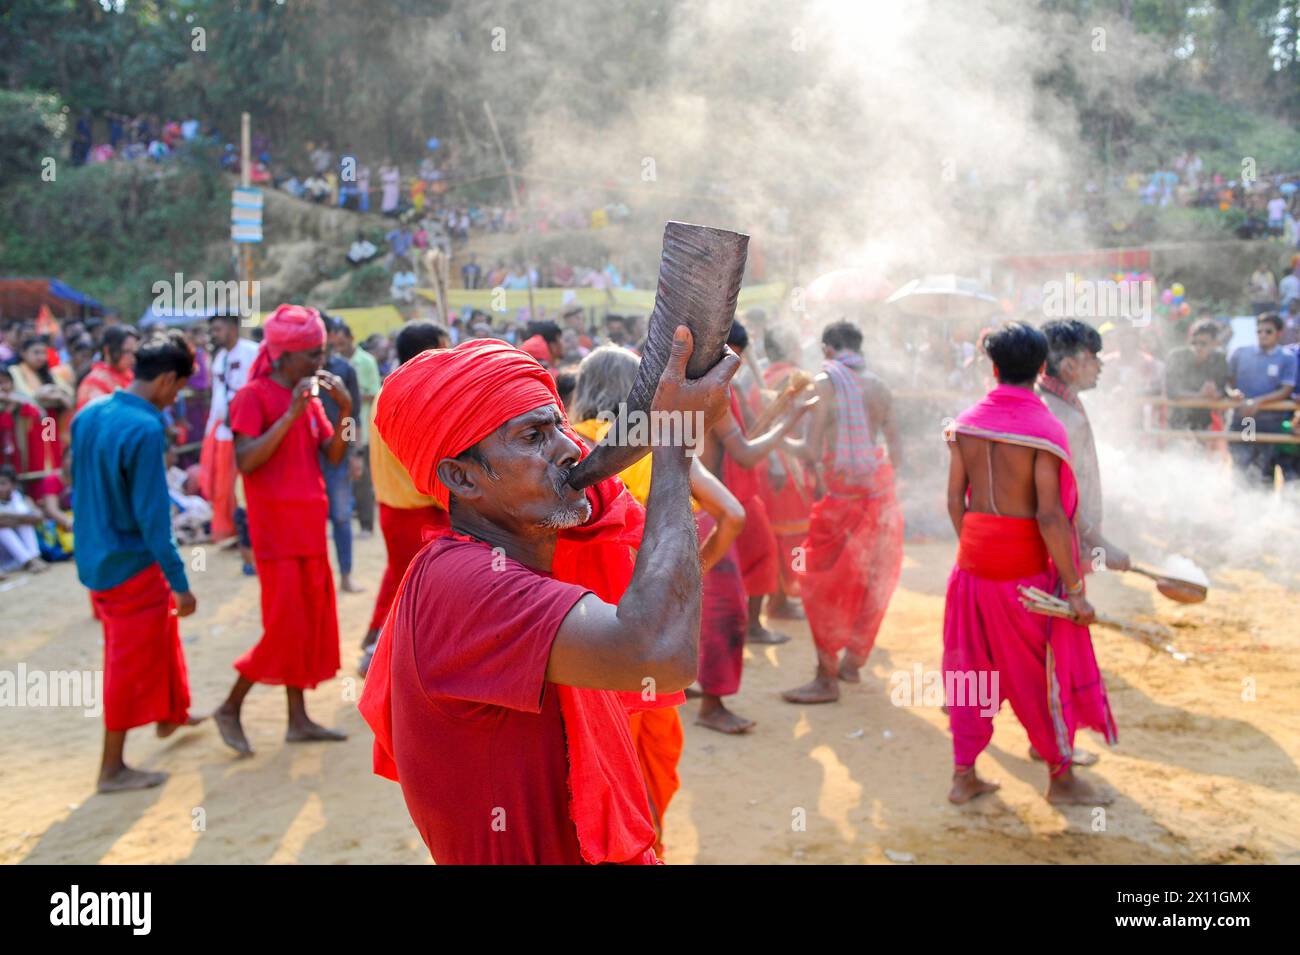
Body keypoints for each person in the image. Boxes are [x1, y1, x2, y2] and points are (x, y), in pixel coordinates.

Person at [358, 330, 741, 863]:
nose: (567, 447)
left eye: (558, 424)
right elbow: (660, 655)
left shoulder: (501, 558)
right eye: (533, 437)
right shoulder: (467, 584)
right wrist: (674, 449)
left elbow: (609, 510)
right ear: (461, 478)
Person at [943, 321, 1116, 806]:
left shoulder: (965, 423)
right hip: (1025, 579)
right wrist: (1074, 587)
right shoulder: (1044, 429)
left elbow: (955, 500)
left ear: (994, 367)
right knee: (1038, 676)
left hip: (972, 568)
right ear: (1041, 368)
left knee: (970, 671)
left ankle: (964, 774)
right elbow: (1050, 516)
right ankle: (1060, 778)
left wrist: (977, 546)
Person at [570, 344, 745, 774]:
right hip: (650, 618)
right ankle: (652, 841)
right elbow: (733, 515)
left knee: (600, 756)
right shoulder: (659, 448)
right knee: (650, 751)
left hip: (581, 626)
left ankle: (615, 841)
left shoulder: (566, 449)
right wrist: (693, 575)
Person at [214, 305, 352, 755]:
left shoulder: (308, 396)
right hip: (274, 531)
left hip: (309, 525)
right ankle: (230, 706)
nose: (320, 362)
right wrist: (291, 414)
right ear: (283, 355)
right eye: (312, 354)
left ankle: (298, 719)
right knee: (284, 627)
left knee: (308, 622)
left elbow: (333, 456)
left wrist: (347, 410)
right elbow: (247, 460)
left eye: (321, 352)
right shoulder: (253, 396)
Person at [71, 330, 204, 792]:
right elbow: (153, 520)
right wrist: (181, 583)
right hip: (130, 562)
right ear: (167, 380)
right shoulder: (146, 428)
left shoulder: (88, 413)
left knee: (159, 633)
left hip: (95, 556)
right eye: (181, 388)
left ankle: (170, 715)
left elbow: (82, 488)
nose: (178, 398)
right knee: (126, 662)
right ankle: (112, 768)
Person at [780, 320, 904, 704]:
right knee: (871, 581)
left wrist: (778, 440)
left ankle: (826, 678)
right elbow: (897, 451)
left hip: (839, 500)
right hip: (880, 497)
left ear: (828, 350)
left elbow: (813, 451)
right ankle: (851, 663)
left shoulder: (825, 382)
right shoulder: (880, 386)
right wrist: (874, 483)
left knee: (820, 583)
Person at [699, 321, 811, 726]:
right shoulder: (712, 391)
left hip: (683, 506)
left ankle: (689, 685)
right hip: (705, 511)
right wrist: (792, 417)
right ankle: (711, 706)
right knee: (723, 609)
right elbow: (745, 455)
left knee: (695, 606)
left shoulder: (682, 383)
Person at [358, 321, 451, 677]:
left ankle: (372, 645)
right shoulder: (413, 394)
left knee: (398, 580)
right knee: (417, 592)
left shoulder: (392, 388)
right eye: (445, 347)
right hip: (418, 511)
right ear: (428, 350)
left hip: (398, 509)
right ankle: (383, 659)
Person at [1038, 320, 1130, 573]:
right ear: (1068, 366)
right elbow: (1056, 499)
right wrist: (1101, 545)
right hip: (1056, 549)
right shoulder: (1062, 417)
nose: (1100, 365)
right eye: (1092, 358)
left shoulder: (1056, 403)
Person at [199, 314, 259, 543]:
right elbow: (217, 397)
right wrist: (210, 429)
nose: (214, 335)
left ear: (233, 328)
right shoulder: (219, 359)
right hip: (224, 432)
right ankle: (234, 531)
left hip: (249, 431)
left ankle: (251, 532)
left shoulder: (252, 352)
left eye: (218, 329)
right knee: (224, 484)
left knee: (246, 483)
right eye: (212, 330)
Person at [7, 338, 73, 530]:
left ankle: (50, 508)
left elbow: (66, 393)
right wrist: (44, 395)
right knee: (31, 464)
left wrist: (53, 394)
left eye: (43, 353)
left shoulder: (49, 374)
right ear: (24, 353)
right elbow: (22, 394)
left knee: (49, 461)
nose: (40, 357)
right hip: (27, 425)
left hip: (49, 421)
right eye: (36, 352)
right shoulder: (15, 372)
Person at [1226, 312, 1298, 486]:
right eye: (1259, 331)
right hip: (1246, 420)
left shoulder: (1287, 357)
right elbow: (1227, 381)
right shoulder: (1241, 353)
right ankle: (1241, 508)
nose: (1263, 335)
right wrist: (1232, 393)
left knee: (1265, 468)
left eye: (1268, 331)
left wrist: (1258, 402)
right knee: (1242, 465)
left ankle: (1264, 511)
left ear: (1278, 333)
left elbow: (1286, 389)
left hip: (1270, 422)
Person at [320, 317, 365, 594]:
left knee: (340, 516)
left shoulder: (344, 370)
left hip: (337, 456)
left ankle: (346, 575)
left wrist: (354, 453)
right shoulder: (300, 371)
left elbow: (353, 416)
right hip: (307, 455)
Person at [329, 321, 379, 535]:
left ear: (350, 338)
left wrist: (351, 394)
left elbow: (376, 392)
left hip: (363, 428)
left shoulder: (366, 362)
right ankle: (342, 521)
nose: (339, 347)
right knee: (342, 476)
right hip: (342, 427)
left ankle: (366, 525)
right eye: (335, 344)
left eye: (342, 342)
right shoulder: (336, 364)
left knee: (362, 480)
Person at [1165, 318, 1229, 431]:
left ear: (1214, 344)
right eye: (1194, 343)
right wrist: (1200, 395)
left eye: (1203, 344)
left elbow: (1223, 389)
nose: (1197, 347)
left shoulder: (1219, 359)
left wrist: (1216, 393)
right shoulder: (1176, 357)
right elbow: (1171, 391)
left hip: (1206, 423)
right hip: (1177, 422)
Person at [74, 325, 139, 412]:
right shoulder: (94, 382)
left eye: (134, 352)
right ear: (107, 350)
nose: (133, 357)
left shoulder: (131, 375)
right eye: (127, 351)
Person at [0, 465, 48, 574]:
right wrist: (22, 518)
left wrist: (8, 516)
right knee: (3, 529)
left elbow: (38, 517)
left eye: (3, 483)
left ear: (13, 485)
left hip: (17, 555)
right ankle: (29, 561)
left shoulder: (21, 498)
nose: (0, 488)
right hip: (4, 558)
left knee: (25, 524)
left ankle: (33, 558)